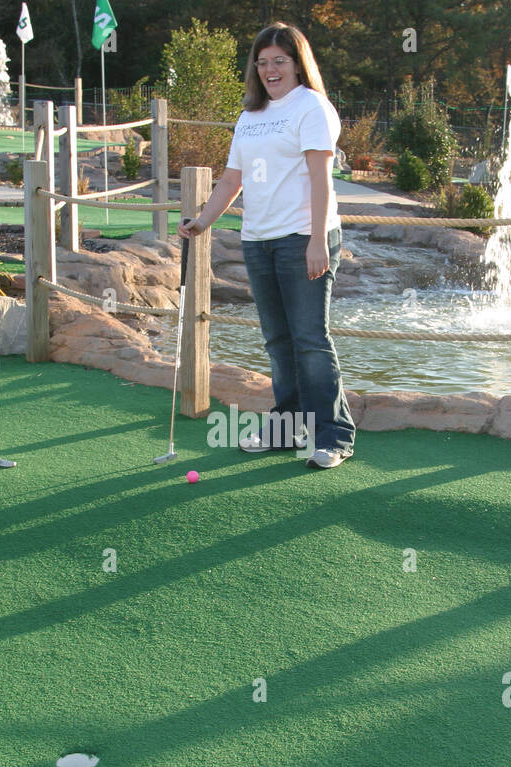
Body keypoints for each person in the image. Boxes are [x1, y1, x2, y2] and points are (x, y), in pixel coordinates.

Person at [178, 22, 355, 469]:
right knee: (278, 340)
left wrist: (318, 240)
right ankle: (287, 428)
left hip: (303, 239)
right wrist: (202, 221)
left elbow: (321, 180)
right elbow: (232, 180)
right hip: (258, 241)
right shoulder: (249, 116)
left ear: (298, 64)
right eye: (262, 62)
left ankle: (334, 435)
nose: (271, 69)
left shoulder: (312, 108)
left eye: (280, 60)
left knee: (310, 339)